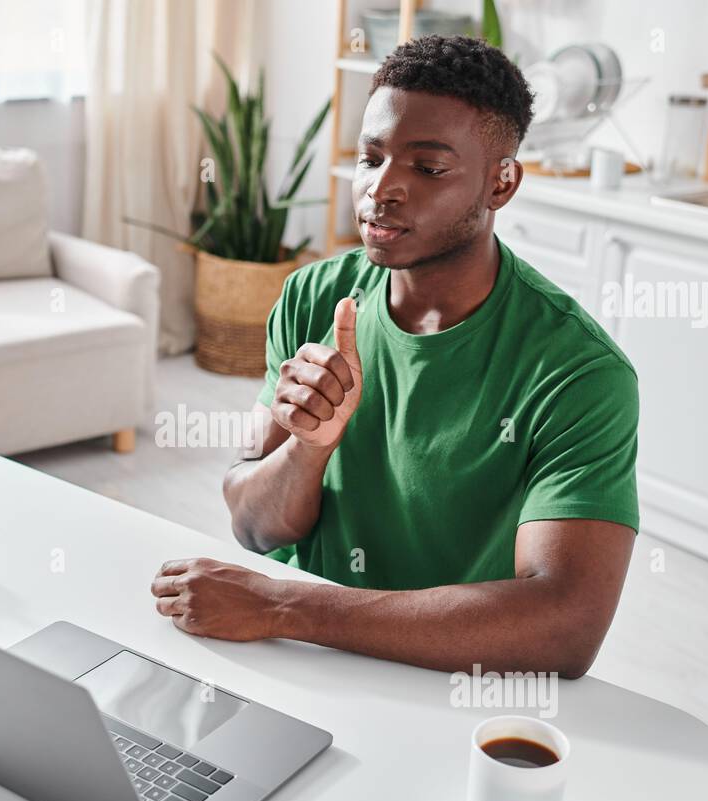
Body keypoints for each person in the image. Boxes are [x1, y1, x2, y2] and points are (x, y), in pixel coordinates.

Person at [151, 35, 638, 679]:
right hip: (299, 662)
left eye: (427, 168)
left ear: (502, 182)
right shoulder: (312, 296)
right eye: (371, 157)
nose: (383, 190)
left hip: (447, 681)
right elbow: (252, 526)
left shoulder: (579, 373)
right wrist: (309, 448)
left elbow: (564, 626)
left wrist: (285, 606)